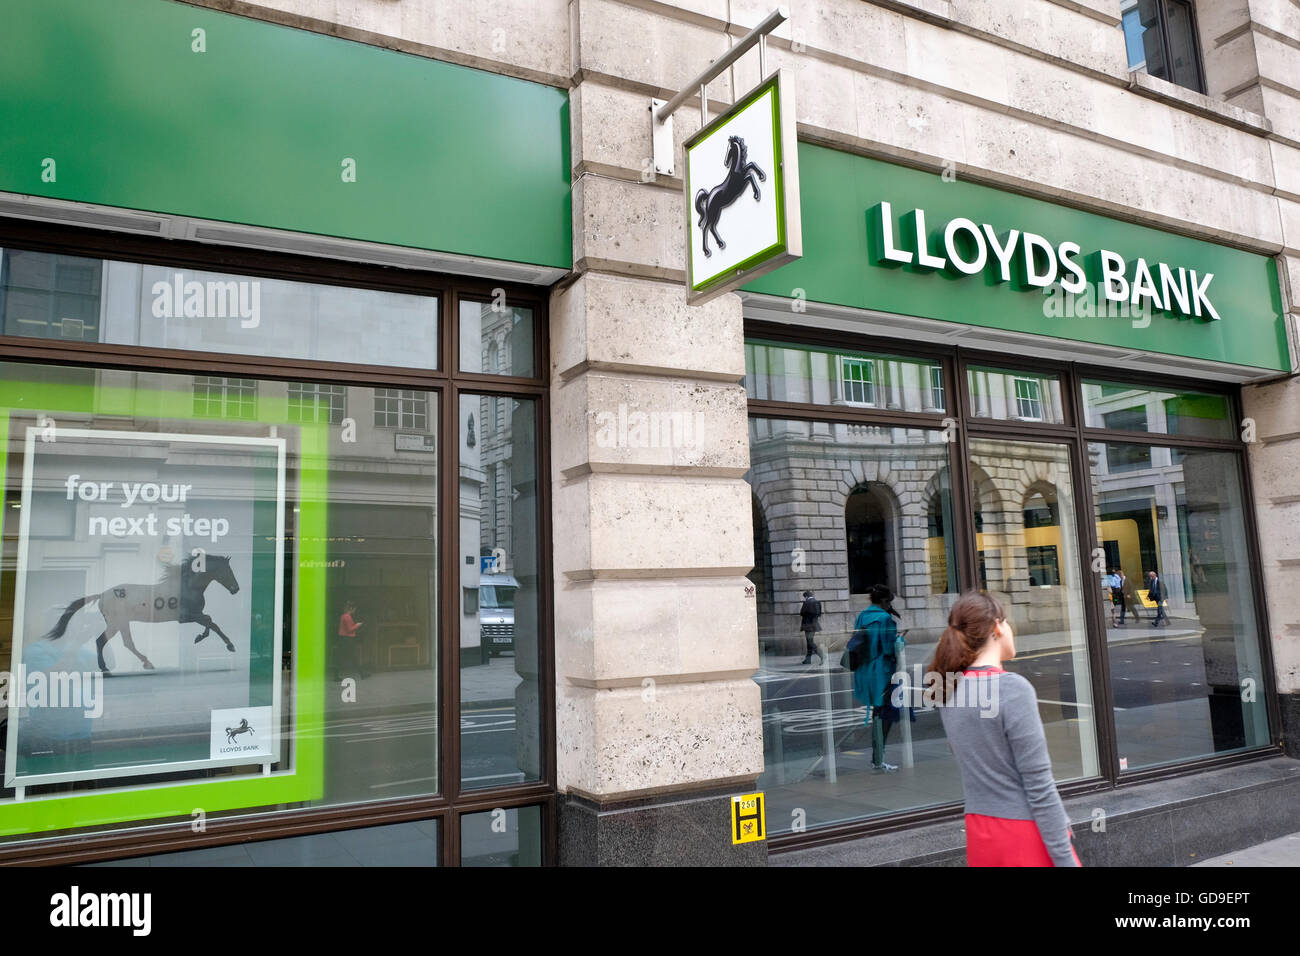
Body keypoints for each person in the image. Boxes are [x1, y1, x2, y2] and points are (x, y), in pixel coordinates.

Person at [931, 592, 1081, 867]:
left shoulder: (949, 689)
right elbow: (1039, 786)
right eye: (1008, 622)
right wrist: (1065, 860)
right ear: (997, 627)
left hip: (980, 834)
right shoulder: (1012, 688)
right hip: (1023, 834)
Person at [851, 584, 903, 772]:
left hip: (864, 672)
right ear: (884, 601)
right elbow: (890, 649)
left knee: (877, 714)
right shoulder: (885, 619)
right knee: (884, 716)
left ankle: (877, 758)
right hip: (882, 673)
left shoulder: (863, 616)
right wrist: (901, 640)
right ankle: (878, 759)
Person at [334, 600, 367, 680]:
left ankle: (336, 676)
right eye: (354, 609)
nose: (355, 611)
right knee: (354, 657)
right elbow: (349, 629)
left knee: (341, 657)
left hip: (343, 639)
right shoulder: (347, 617)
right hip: (348, 639)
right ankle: (362, 674)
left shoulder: (343, 616)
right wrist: (357, 625)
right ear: (351, 608)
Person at [798, 590, 822, 665]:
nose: (805, 599)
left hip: (808, 626)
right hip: (814, 625)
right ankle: (808, 659)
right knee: (809, 642)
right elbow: (819, 614)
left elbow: (801, 613)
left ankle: (822, 656)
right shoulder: (817, 602)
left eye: (804, 597)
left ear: (806, 596)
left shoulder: (807, 602)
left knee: (810, 642)